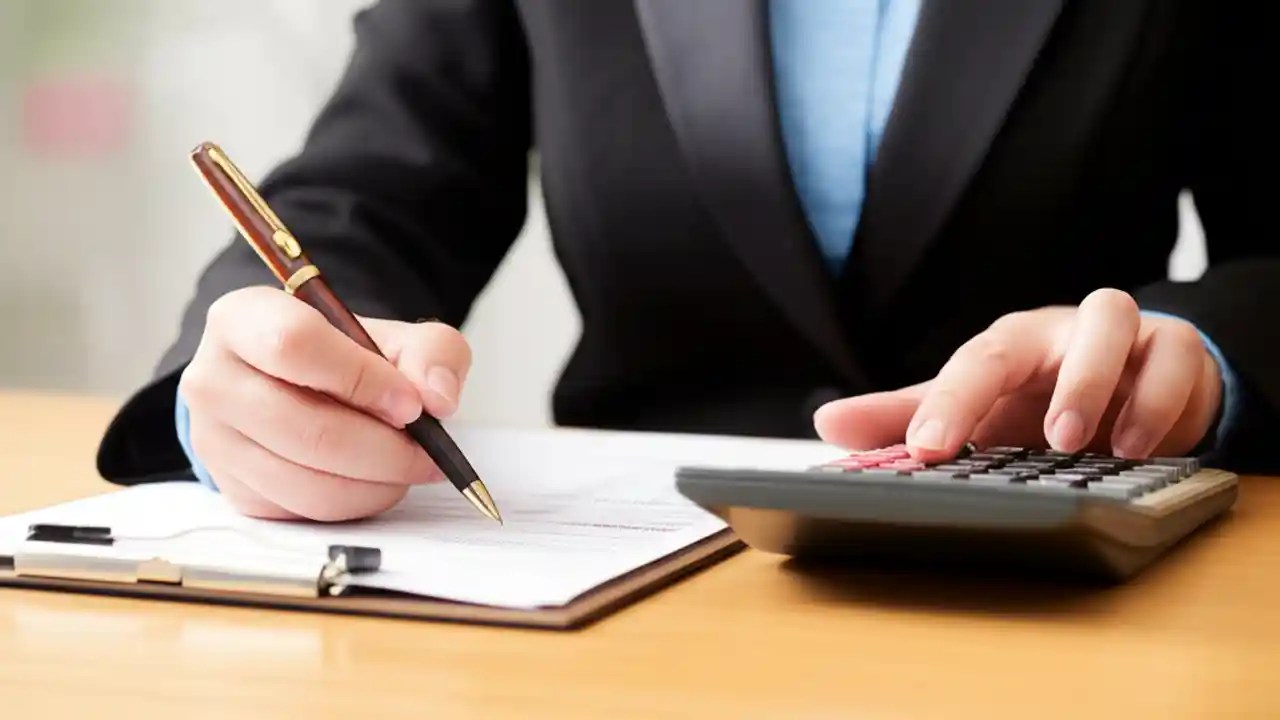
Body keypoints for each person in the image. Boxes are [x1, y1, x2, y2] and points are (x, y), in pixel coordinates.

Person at [98, 0, 1275, 521]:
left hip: (1080, 580)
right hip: (623, 594)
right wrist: (256, 377)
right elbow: (370, 189)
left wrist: (1202, 358)